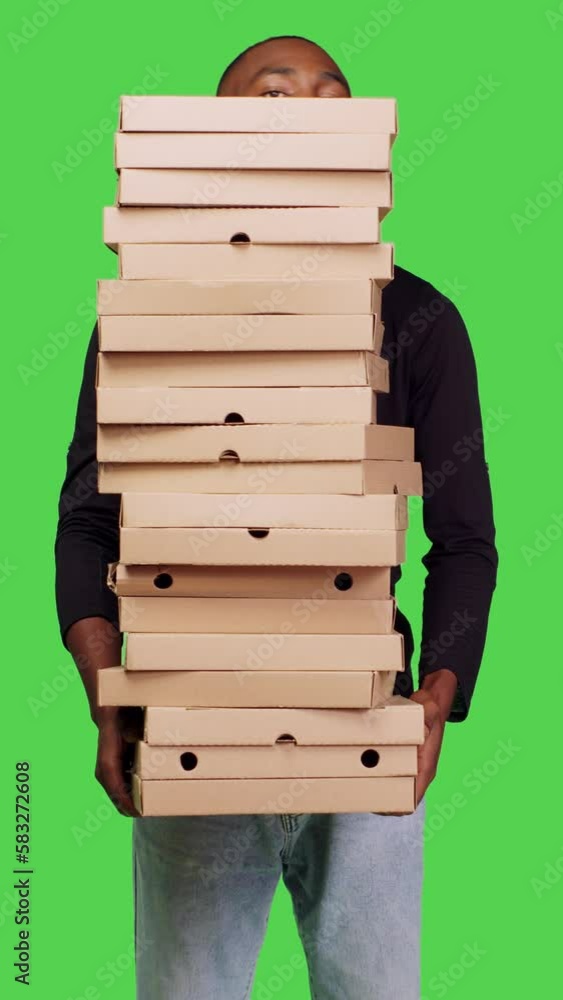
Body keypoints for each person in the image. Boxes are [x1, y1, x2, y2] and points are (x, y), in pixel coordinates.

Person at [54, 34, 498, 1000]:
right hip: (186, 717)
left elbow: (461, 540)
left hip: (363, 721)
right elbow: (89, 519)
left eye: (333, 97)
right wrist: (108, 687)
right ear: (217, 143)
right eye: (275, 93)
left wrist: (434, 700)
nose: (309, 111)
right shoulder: (140, 319)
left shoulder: (418, 320)